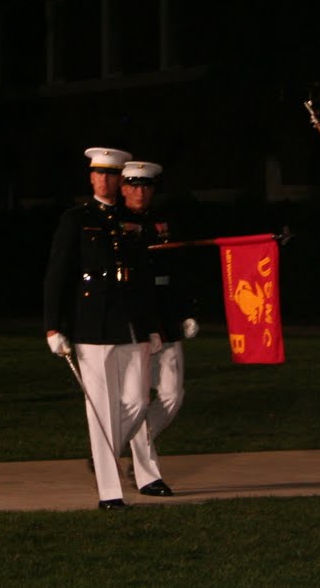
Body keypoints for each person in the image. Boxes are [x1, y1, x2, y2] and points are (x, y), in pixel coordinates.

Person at [44, 146, 169, 511]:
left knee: (136, 400)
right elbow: (57, 274)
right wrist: (53, 327)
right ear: (91, 178)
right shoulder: (76, 219)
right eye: (99, 174)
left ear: (120, 179)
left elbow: (143, 279)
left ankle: (104, 451)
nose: (105, 180)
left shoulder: (132, 221)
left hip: (130, 324)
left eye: (111, 175)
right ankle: (109, 491)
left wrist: (152, 327)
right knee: (100, 407)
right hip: (91, 325)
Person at [119, 161, 196, 466]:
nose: (140, 192)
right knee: (134, 399)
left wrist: (188, 311)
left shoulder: (165, 222)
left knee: (172, 395)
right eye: (134, 185)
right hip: (132, 321)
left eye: (146, 186)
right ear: (123, 188)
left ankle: (132, 442)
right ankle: (139, 464)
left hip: (166, 318)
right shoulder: (113, 221)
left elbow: (181, 269)